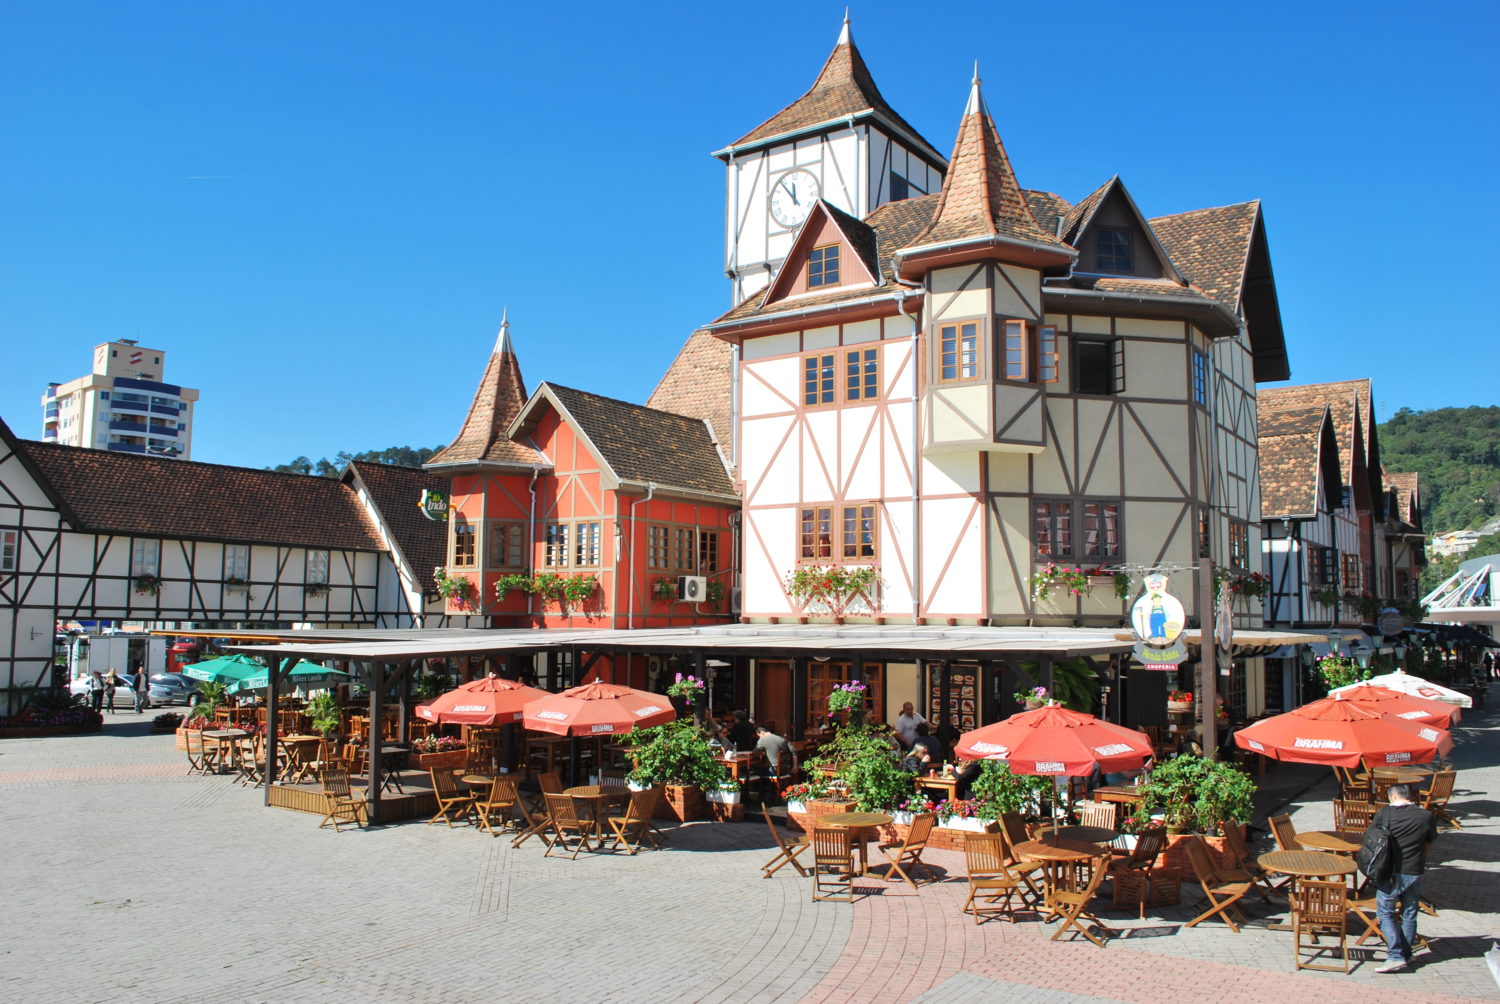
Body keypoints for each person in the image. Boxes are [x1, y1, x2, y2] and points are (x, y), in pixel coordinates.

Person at [1369, 782, 1439, 973]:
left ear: (1392, 796)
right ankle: (1407, 953)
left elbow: (1372, 840)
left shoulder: (1384, 814)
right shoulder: (1426, 816)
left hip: (1392, 871)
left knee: (1385, 911)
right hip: (1415, 870)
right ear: (1409, 796)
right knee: (1410, 911)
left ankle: (1395, 956)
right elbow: (1429, 843)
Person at [755, 725, 796, 805]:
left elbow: (755, 753)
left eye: (759, 735)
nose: (759, 737)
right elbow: (794, 751)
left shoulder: (762, 740)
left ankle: (766, 795)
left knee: (757, 772)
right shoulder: (782, 739)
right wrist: (795, 766)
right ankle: (772, 791)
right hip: (785, 769)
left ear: (762, 733)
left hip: (774, 770)